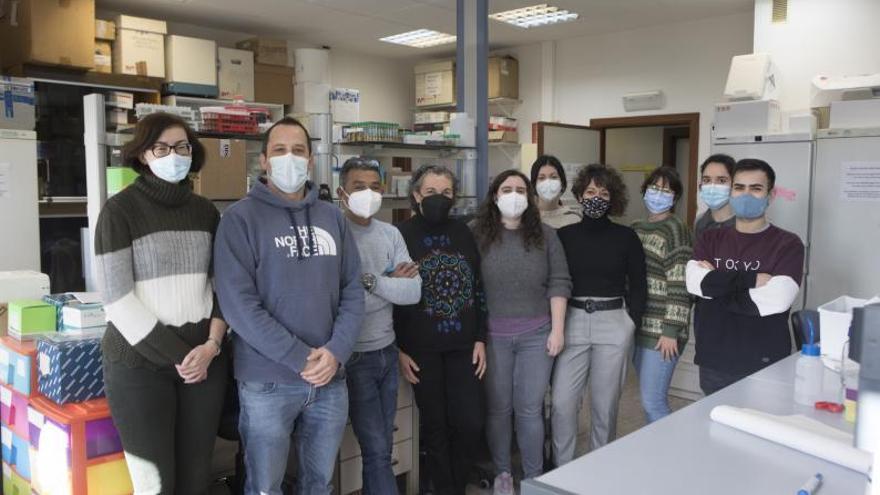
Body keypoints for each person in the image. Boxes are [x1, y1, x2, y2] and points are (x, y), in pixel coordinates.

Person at [213, 117, 364, 494]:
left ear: (311, 160)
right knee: (265, 486)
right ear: (263, 160)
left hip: (330, 379)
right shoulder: (238, 220)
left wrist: (336, 352)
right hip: (267, 382)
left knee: (320, 483)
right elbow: (238, 305)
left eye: (298, 150)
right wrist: (300, 357)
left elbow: (352, 291)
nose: (289, 158)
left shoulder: (333, 218)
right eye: (279, 150)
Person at [95, 112, 229, 494]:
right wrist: (183, 355)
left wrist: (211, 347)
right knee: (155, 484)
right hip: (139, 365)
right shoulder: (119, 211)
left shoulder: (205, 212)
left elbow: (223, 288)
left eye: (182, 146)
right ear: (142, 154)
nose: (174, 154)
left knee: (195, 479)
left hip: (204, 365)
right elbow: (117, 299)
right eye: (162, 147)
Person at [470, 170, 571, 494]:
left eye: (520, 190)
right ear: (495, 196)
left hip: (536, 334)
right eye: (506, 189)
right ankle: (502, 473)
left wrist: (557, 331)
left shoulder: (546, 235)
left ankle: (532, 477)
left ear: (529, 198)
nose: (513, 195)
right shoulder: (476, 234)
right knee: (499, 409)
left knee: (529, 408)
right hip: (492, 338)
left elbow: (559, 282)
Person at [394, 164, 487, 495]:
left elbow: (478, 287)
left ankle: (454, 483)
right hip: (421, 349)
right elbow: (391, 298)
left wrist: (480, 338)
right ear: (416, 195)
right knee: (435, 427)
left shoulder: (465, 232)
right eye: (431, 192)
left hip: (464, 345)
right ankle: (448, 489)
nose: (439, 199)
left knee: (470, 423)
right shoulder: (400, 234)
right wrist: (399, 350)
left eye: (446, 193)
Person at [551, 164, 647, 465]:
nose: (596, 198)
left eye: (603, 193)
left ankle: (598, 466)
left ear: (612, 199)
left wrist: (631, 322)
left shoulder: (626, 236)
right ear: (579, 195)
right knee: (562, 403)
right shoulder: (563, 236)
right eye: (590, 191)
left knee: (605, 406)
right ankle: (561, 468)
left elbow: (639, 284)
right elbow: (554, 280)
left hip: (613, 321)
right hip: (572, 321)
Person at [336, 157, 422, 494]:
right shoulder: (336, 235)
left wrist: (369, 282)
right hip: (354, 356)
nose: (368, 193)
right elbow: (343, 305)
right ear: (343, 192)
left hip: (387, 351)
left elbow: (413, 292)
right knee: (375, 450)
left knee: (382, 447)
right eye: (359, 187)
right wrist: (388, 284)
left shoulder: (390, 233)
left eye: (375, 187)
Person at [686, 158, 804, 396]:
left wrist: (716, 289)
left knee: (761, 429)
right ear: (731, 193)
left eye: (756, 188)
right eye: (739, 187)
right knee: (714, 428)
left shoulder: (788, 244)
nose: (745, 195)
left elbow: (777, 300)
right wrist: (750, 281)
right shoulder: (710, 239)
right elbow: (694, 283)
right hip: (714, 359)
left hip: (764, 360)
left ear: (770, 196)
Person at [631, 167, 693, 423]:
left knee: (653, 400)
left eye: (666, 190)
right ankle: (656, 453)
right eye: (654, 188)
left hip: (662, 334)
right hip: (639, 328)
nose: (659, 194)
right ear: (644, 191)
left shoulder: (676, 229)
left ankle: (671, 455)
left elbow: (681, 283)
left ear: (675, 197)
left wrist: (670, 331)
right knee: (648, 400)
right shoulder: (635, 227)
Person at [530, 155, 580, 229]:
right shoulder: (526, 218)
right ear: (534, 185)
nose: (548, 182)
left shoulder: (574, 219)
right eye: (541, 178)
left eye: (553, 177)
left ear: (562, 183)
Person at [694, 154, 737, 240]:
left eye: (721, 180)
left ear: (734, 184)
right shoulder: (699, 221)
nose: (712, 187)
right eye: (707, 180)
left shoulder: (745, 224)